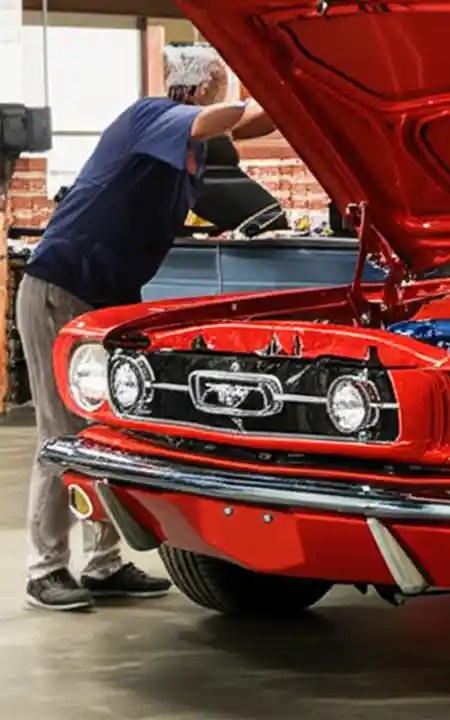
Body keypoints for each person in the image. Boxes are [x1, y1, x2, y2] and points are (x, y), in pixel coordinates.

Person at [18, 44, 277, 611]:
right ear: (202, 84)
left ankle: (105, 565)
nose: (224, 87)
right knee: (62, 433)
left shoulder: (196, 149)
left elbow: (251, 123)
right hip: (60, 287)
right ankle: (45, 570)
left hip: (108, 298)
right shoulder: (152, 116)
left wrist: (289, 91)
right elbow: (217, 118)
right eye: (222, 78)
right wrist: (249, 92)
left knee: (109, 432)